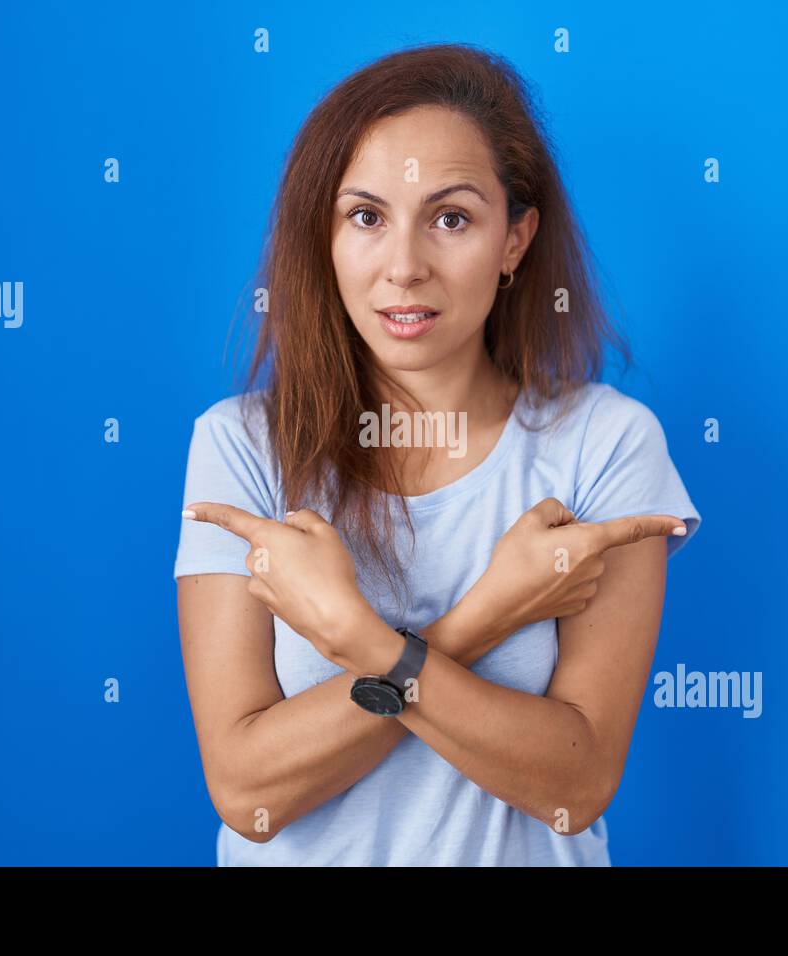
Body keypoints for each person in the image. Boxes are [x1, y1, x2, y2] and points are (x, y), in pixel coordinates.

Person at [174, 42, 701, 866]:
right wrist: (486, 615)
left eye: (451, 218)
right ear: (326, 234)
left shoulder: (607, 444)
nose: (405, 268)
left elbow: (577, 786)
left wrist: (367, 641)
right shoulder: (242, 447)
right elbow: (249, 794)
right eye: (367, 216)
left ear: (515, 240)